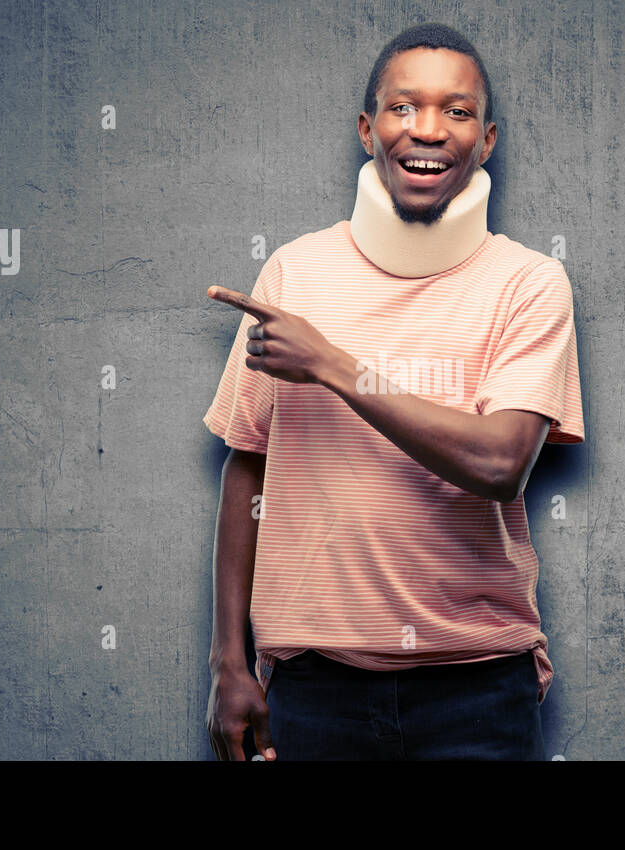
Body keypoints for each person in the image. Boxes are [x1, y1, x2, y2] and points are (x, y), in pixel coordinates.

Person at [202, 22, 585, 761]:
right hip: (314, 685)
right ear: (367, 127)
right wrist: (227, 662)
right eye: (403, 107)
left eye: (458, 111)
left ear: (489, 138)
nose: (428, 130)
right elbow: (247, 464)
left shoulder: (528, 282)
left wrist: (334, 365)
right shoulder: (292, 273)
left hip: (477, 686)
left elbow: (502, 462)